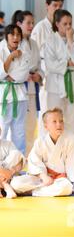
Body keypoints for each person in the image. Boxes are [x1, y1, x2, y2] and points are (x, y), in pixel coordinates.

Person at [10, 108, 74, 197]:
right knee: (16, 183)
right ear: (46, 126)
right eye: (54, 122)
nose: (59, 124)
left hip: (62, 180)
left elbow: (73, 168)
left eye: (61, 121)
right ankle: (44, 190)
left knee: (66, 188)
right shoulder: (40, 142)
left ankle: (34, 192)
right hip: (43, 179)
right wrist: (44, 177)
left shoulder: (71, 139)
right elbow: (34, 162)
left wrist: (67, 180)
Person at [42, 9, 74, 139]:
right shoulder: (50, 40)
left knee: (71, 118)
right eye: (65, 24)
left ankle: (72, 148)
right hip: (55, 86)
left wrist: (70, 41)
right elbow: (50, 64)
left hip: (71, 85)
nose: (68, 26)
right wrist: (67, 63)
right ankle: (53, 148)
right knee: (54, 119)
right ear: (57, 24)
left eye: (70, 23)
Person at [31, 0, 64, 137]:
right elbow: (34, 54)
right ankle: (43, 144)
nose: (57, 8)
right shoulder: (40, 28)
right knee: (46, 111)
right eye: (54, 5)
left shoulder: (61, 26)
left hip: (60, 74)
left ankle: (59, 142)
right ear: (47, 6)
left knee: (60, 111)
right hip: (45, 72)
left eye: (60, 6)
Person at [12, 10, 44, 155]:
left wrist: (39, 75)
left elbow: (39, 65)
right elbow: (7, 68)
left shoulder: (34, 44)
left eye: (33, 22)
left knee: (31, 126)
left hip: (32, 88)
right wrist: (21, 75)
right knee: (17, 128)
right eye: (28, 23)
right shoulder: (11, 43)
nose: (32, 26)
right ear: (19, 24)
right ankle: (13, 162)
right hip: (17, 90)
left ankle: (29, 161)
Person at [0, 24, 31, 154]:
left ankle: (18, 161)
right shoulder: (0, 49)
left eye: (18, 34)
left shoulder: (25, 51)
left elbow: (23, 75)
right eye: (12, 34)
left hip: (20, 96)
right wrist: (10, 57)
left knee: (19, 130)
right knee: (2, 129)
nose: (15, 37)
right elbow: (0, 74)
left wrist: (6, 74)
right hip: (3, 96)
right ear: (6, 37)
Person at [0, 129, 24, 198]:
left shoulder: (8, 144)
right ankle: (5, 185)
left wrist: (9, 172)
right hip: (7, 176)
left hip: (10, 174)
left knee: (16, 153)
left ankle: (4, 183)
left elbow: (19, 159)